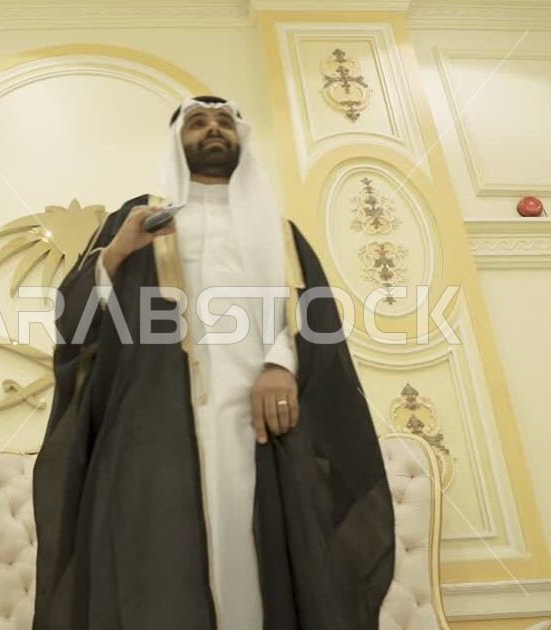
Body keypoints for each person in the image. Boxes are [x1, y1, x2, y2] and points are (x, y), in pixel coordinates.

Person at [33, 96, 393, 630]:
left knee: (257, 560)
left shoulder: (279, 231)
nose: (212, 130)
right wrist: (118, 251)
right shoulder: (138, 219)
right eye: (197, 123)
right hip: (151, 428)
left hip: (261, 425)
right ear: (176, 141)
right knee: (157, 563)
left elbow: (313, 317)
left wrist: (280, 365)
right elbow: (74, 321)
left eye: (224, 122)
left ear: (241, 139)